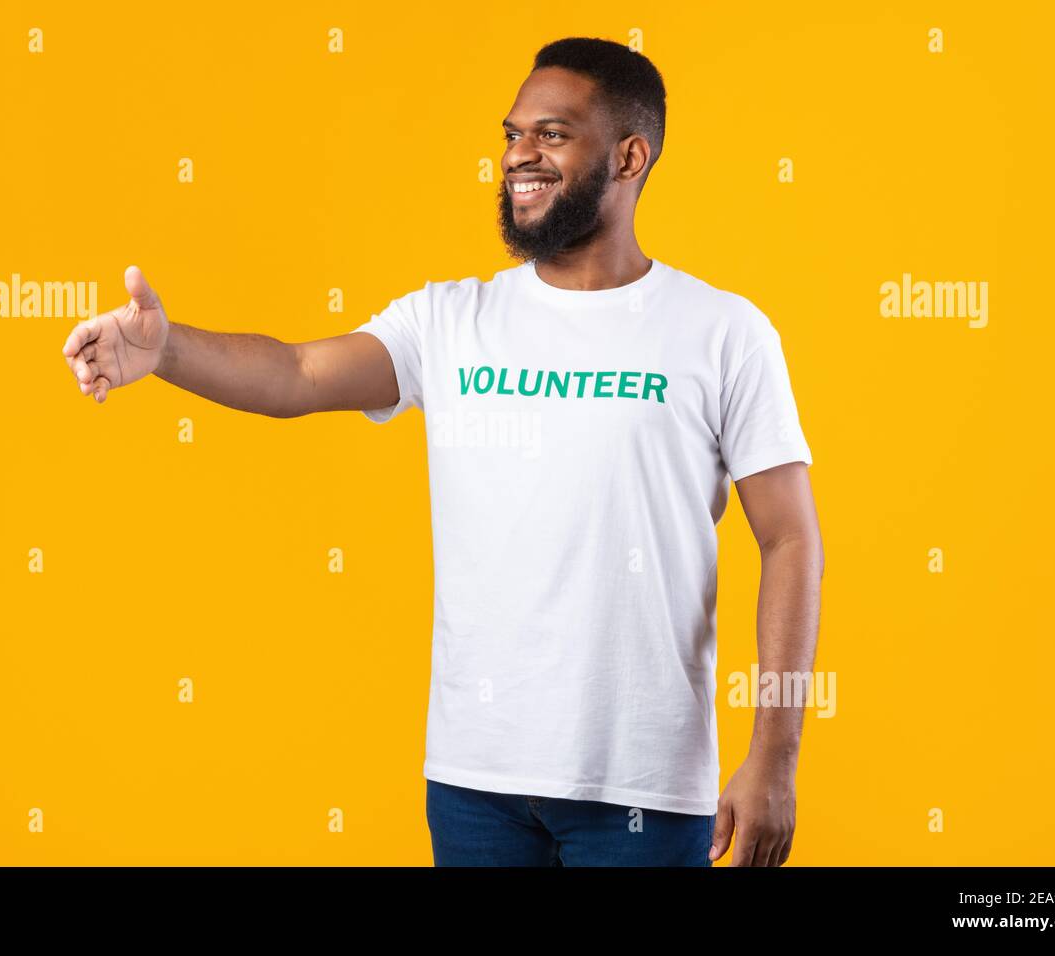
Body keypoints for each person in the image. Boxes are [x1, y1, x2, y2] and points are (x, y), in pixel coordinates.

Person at [61, 36, 824, 867]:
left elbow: (790, 539)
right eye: (511, 134)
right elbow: (296, 371)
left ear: (631, 155)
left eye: (552, 133)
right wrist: (167, 351)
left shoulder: (723, 333)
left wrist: (775, 759)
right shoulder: (451, 320)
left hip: (641, 787)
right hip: (474, 783)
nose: (519, 156)